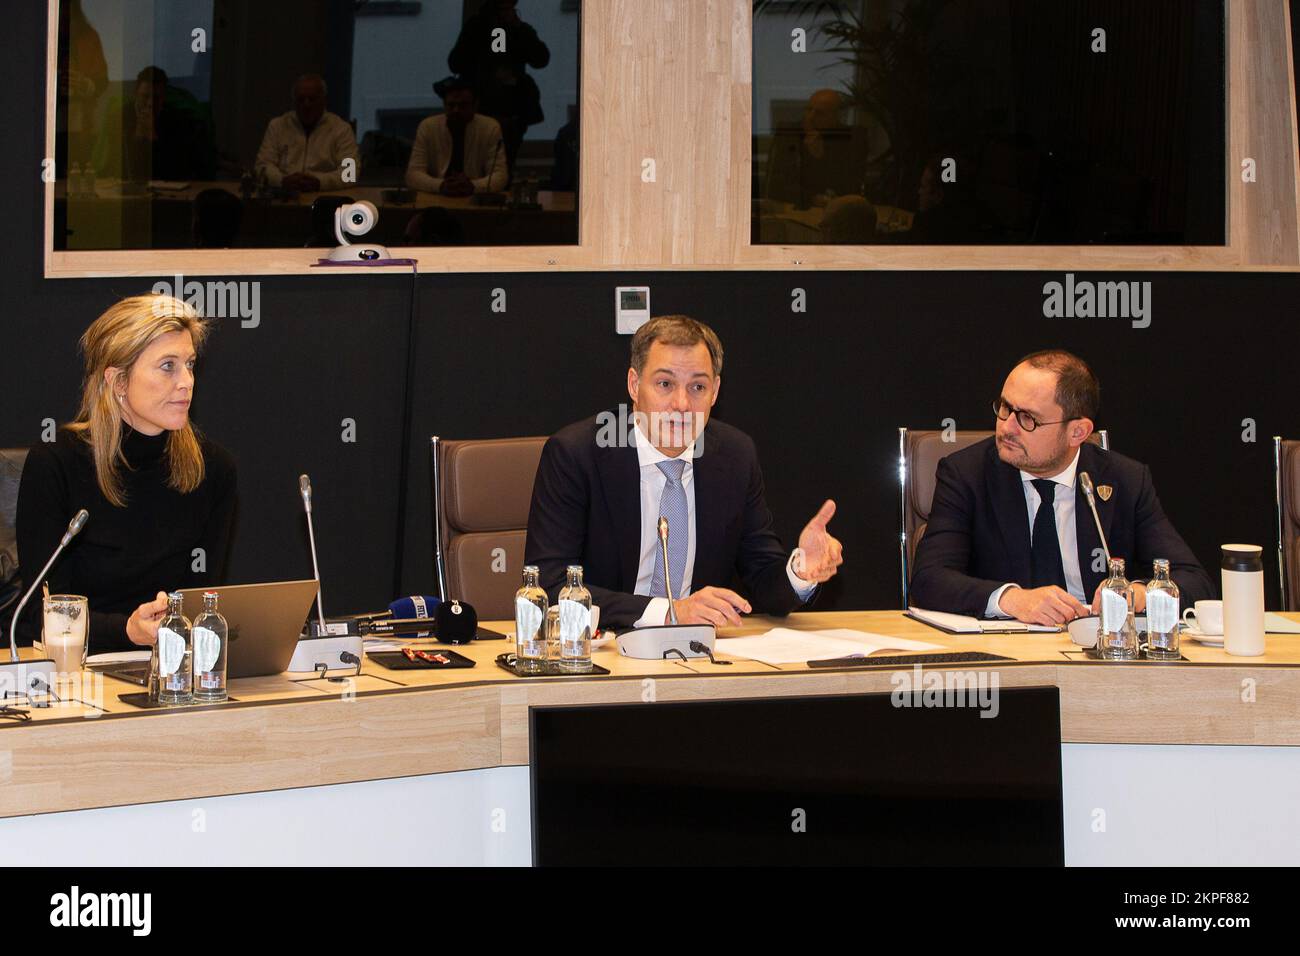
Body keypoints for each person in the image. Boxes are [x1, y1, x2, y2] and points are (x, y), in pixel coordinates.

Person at [525, 315, 843, 629]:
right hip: (605, 651)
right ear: (635, 385)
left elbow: (762, 576)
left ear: (715, 392)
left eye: (697, 387)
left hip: (700, 659)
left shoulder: (734, 455)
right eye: (665, 384)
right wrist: (669, 612)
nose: (681, 403)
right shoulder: (577, 454)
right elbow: (550, 588)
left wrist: (800, 571)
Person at [909, 350, 1213, 624]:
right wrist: (1012, 599)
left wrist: (1138, 595)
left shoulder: (1125, 480)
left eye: (1028, 418)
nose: (1006, 427)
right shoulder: (967, 474)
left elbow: (1194, 581)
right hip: (1012, 655)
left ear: (1077, 431)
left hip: (1101, 653)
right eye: (1005, 408)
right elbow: (928, 581)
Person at [15, 296, 237, 654]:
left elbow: (203, 600)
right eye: (168, 366)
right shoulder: (56, 465)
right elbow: (42, 617)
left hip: (168, 668)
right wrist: (127, 630)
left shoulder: (213, 470)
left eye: (190, 364)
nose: (187, 382)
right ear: (118, 381)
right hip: (75, 666)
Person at [448, 0, 550, 176]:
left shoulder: (516, 30)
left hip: (510, 111)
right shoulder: (480, 28)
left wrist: (517, 29)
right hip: (482, 109)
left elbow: (541, 58)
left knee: (503, 164)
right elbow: (458, 62)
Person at [93, 66, 215, 182]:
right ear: (136, 94)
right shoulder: (119, 118)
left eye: (156, 98)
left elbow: (176, 167)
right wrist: (139, 135)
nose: (150, 103)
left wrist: (153, 137)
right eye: (145, 96)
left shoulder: (176, 119)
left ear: (163, 98)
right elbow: (120, 167)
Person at [254, 74, 360, 194]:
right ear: (294, 102)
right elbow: (262, 165)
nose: (306, 104)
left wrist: (320, 182)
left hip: (325, 200)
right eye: (301, 99)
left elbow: (351, 173)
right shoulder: (277, 126)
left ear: (324, 101)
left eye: (312, 99)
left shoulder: (341, 129)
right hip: (283, 198)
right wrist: (282, 181)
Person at [406, 76, 509, 197]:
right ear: (444, 105)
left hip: (474, 199)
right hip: (437, 199)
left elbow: (500, 176)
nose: (456, 110)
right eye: (451, 105)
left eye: (463, 105)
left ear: (475, 105)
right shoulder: (428, 127)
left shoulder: (490, 128)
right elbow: (413, 175)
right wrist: (441, 185)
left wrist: (472, 186)